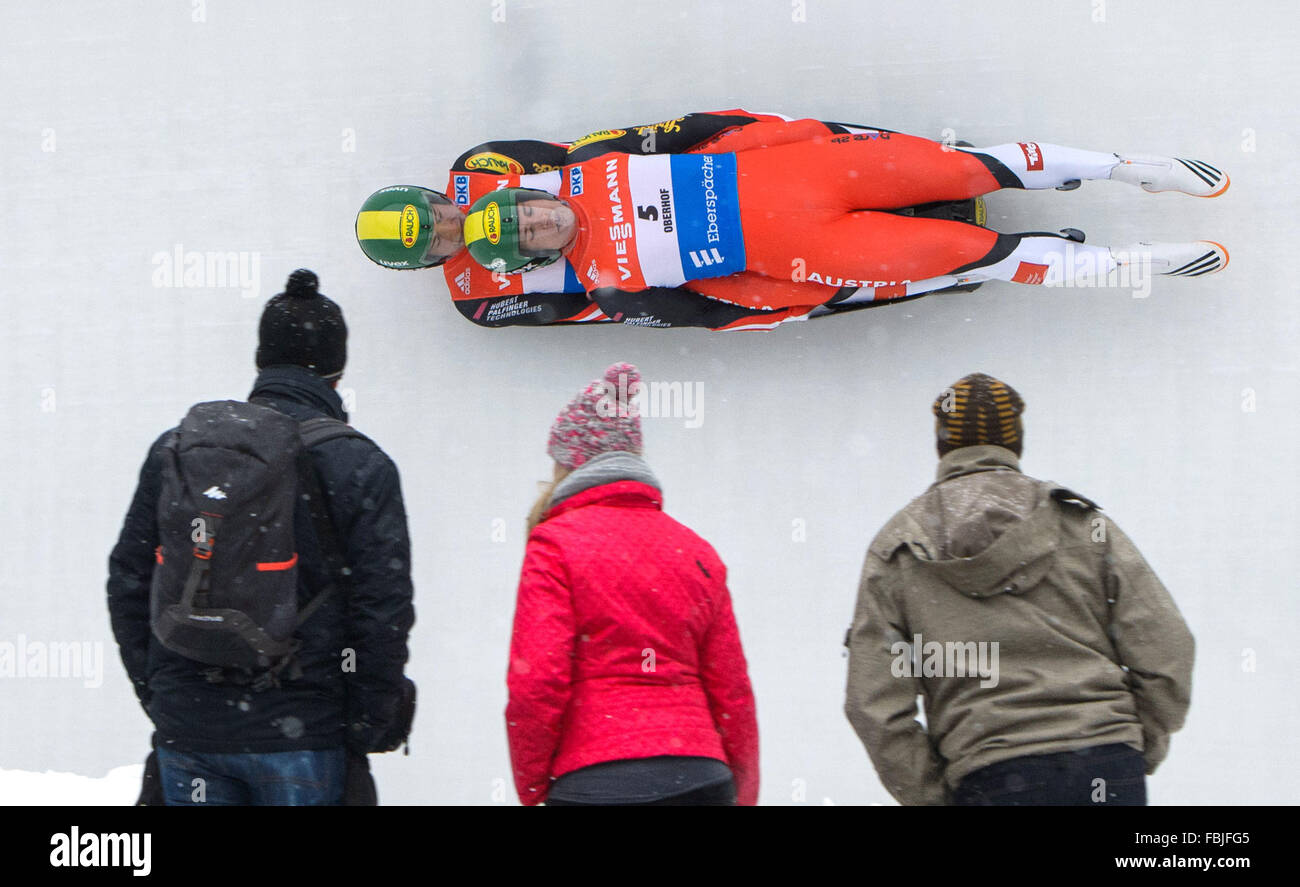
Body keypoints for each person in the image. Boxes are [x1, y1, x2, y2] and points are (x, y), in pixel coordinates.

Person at [108, 270, 416, 806]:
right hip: (304, 733)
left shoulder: (176, 451)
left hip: (190, 732)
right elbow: (382, 609)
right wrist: (365, 720)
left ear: (261, 364)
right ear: (337, 374)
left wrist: (163, 693)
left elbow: (129, 582)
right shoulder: (359, 464)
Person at [844, 373, 1195, 806]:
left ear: (941, 445)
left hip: (990, 774)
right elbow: (1167, 647)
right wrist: (1138, 741)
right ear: (1016, 442)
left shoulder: (899, 549)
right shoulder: (1082, 525)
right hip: (1106, 767)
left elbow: (873, 704)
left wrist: (936, 795)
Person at [355, 110, 1000, 331]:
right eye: (439, 239)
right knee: (784, 294)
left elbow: (574, 156)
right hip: (659, 273)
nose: (450, 223)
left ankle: (920, 174)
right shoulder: (479, 301)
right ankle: (935, 265)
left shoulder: (480, 166)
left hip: (655, 198)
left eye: (438, 212)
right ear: (435, 262)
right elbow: (578, 311)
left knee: (780, 162)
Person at [460, 133, 1228, 302]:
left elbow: (702, 127)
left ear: (532, 191)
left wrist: (805, 137)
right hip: (815, 247)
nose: (543, 223)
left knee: (971, 167)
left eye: (529, 211)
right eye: (531, 237)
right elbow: (724, 303)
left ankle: (1128, 170)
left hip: (808, 169)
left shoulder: (592, 164)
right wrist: (810, 293)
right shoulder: (604, 281)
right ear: (533, 257)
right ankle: (1146, 263)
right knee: (983, 255)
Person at [507, 363, 759, 806]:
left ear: (571, 466)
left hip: (595, 781)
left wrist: (532, 788)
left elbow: (537, 683)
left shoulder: (554, 544)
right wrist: (741, 789)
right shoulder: (697, 552)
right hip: (700, 776)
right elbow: (732, 692)